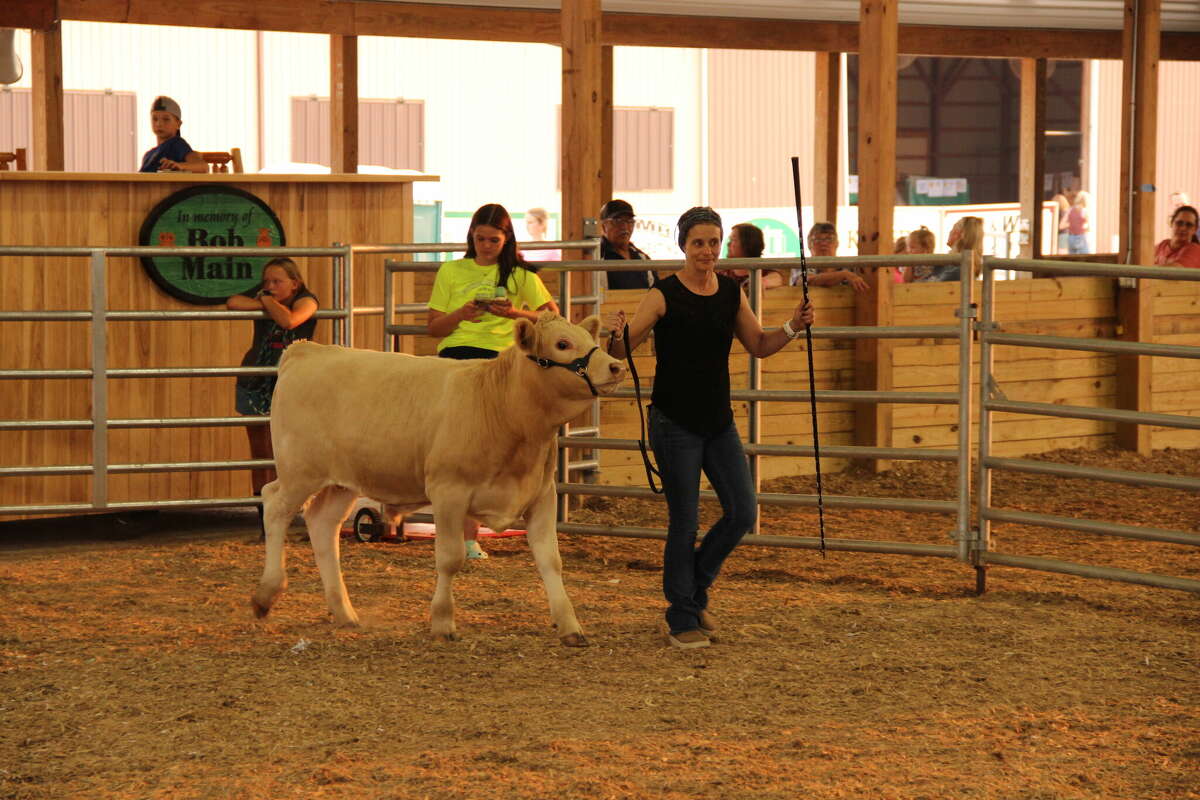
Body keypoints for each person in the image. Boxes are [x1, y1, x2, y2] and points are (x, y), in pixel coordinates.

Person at [605, 207, 815, 650]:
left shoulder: (731, 293)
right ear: (684, 245)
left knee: (742, 511)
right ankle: (682, 613)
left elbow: (759, 344)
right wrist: (615, 334)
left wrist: (793, 326)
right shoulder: (662, 293)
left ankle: (694, 589)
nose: (707, 251)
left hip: (718, 420)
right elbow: (624, 349)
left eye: (714, 242)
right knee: (684, 522)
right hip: (673, 420)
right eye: (698, 242)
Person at [427, 203, 560, 558]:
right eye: (481, 238)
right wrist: (462, 313)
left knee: (489, 450)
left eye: (494, 240)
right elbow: (434, 327)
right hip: (457, 358)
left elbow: (552, 319)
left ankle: (471, 535)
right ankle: (463, 536)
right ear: (471, 236)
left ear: (506, 240)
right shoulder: (452, 271)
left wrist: (515, 313)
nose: (486, 245)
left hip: (502, 365)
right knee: (460, 450)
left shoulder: (521, 277)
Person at [227, 257, 319, 535]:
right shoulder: (265, 298)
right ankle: (263, 514)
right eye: (266, 282)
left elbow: (290, 320)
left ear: (295, 283)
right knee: (260, 446)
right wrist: (266, 301)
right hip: (256, 376)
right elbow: (233, 302)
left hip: (292, 380)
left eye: (277, 282)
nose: (270, 286)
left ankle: (286, 509)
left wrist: (265, 302)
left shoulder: (307, 300)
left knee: (289, 447)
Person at [790, 222, 869, 292]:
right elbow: (806, 281)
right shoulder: (801, 265)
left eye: (829, 239)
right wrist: (844, 275)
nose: (824, 243)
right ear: (809, 245)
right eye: (817, 239)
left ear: (837, 243)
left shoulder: (849, 267)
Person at [138, 96, 206, 174]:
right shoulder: (148, 155)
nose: (159, 124)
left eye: (166, 119)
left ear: (178, 124)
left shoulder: (177, 144)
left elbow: (202, 166)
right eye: (155, 119)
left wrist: (179, 165)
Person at [600, 199, 655, 290]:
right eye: (618, 221)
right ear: (604, 226)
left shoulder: (642, 258)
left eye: (629, 221)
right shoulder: (598, 258)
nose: (625, 227)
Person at [718, 222, 785, 289]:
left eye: (733, 240)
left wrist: (762, 282)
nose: (728, 244)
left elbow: (777, 278)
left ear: (747, 244)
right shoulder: (724, 274)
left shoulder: (764, 270)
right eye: (730, 239)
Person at [941, 215, 984, 282]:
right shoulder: (969, 266)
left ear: (960, 235)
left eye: (953, 228)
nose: (950, 231)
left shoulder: (956, 270)